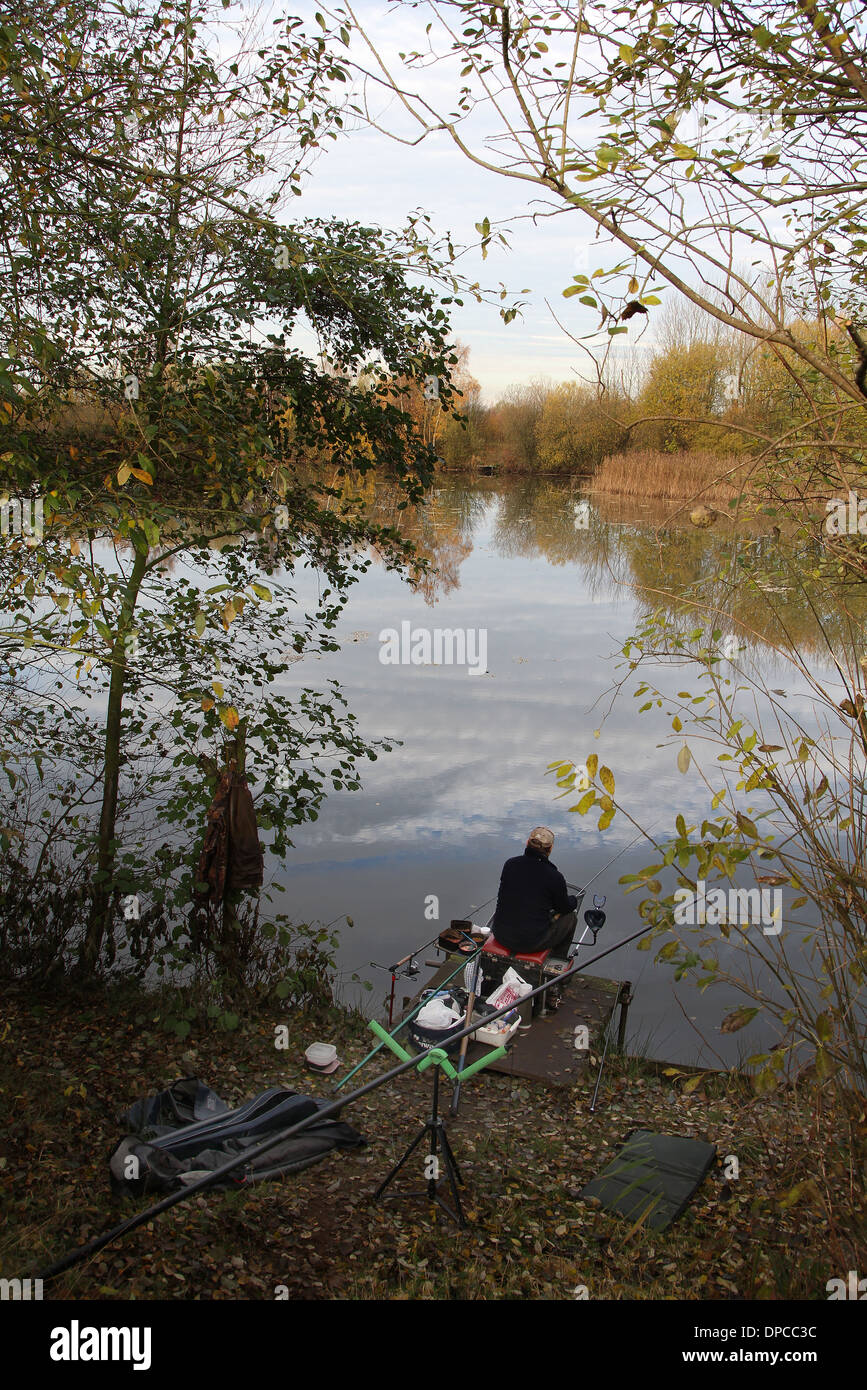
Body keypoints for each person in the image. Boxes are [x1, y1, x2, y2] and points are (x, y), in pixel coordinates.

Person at [491, 827, 578, 959]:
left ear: (527, 843)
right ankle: (557, 963)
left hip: (500, 934)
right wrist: (574, 900)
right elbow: (564, 907)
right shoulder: (554, 876)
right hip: (530, 943)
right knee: (571, 918)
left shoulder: (510, 864)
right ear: (550, 849)